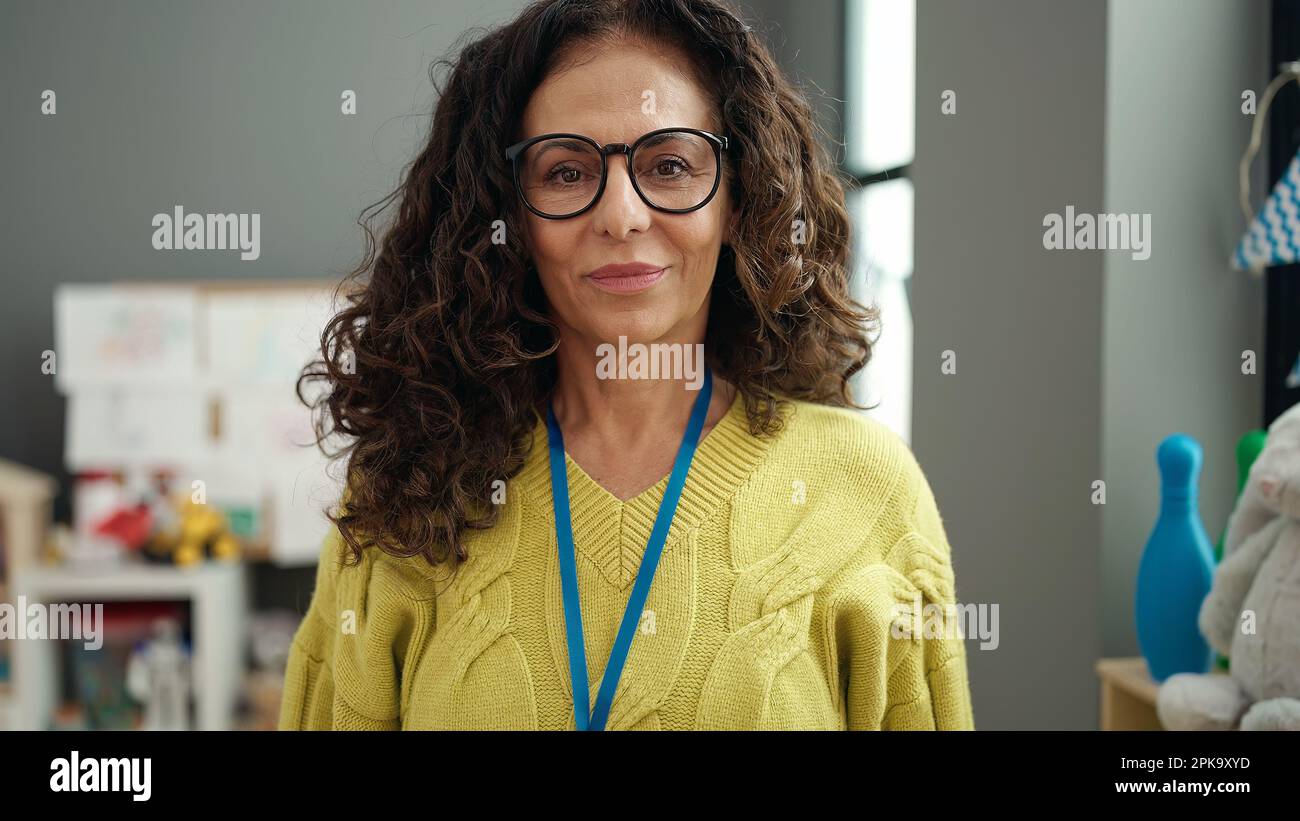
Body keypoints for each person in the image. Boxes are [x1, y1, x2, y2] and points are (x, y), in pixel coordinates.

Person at [280, 0, 974, 731]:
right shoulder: (406, 493)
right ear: (508, 215)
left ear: (739, 197)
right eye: (567, 171)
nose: (621, 215)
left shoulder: (866, 491)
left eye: (670, 164)